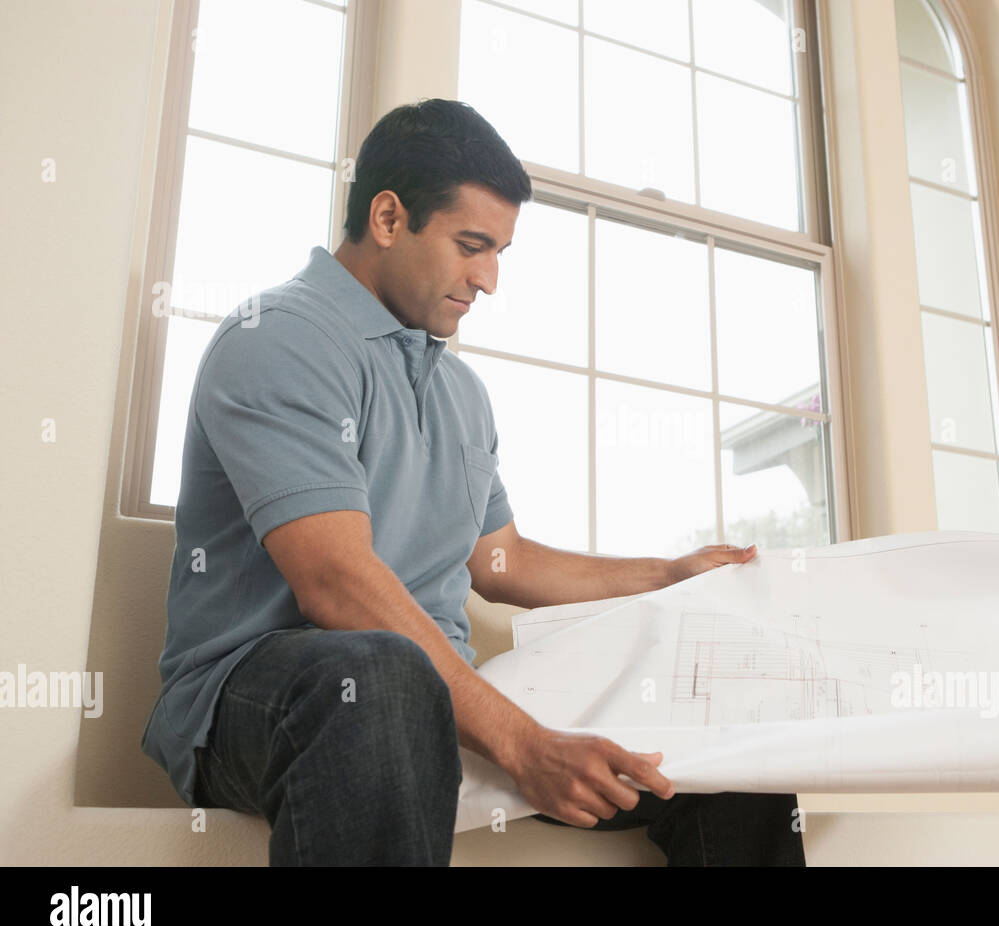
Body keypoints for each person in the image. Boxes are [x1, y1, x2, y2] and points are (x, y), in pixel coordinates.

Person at [141, 98, 806, 867]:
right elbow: (336, 584)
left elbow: (505, 563)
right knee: (381, 676)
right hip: (264, 700)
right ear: (389, 218)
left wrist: (668, 576)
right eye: (471, 245)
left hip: (427, 705)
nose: (488, 279)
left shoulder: (460, 393)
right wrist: (523, 745)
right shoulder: (281, 336)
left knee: (721, 732)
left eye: (500, 252)